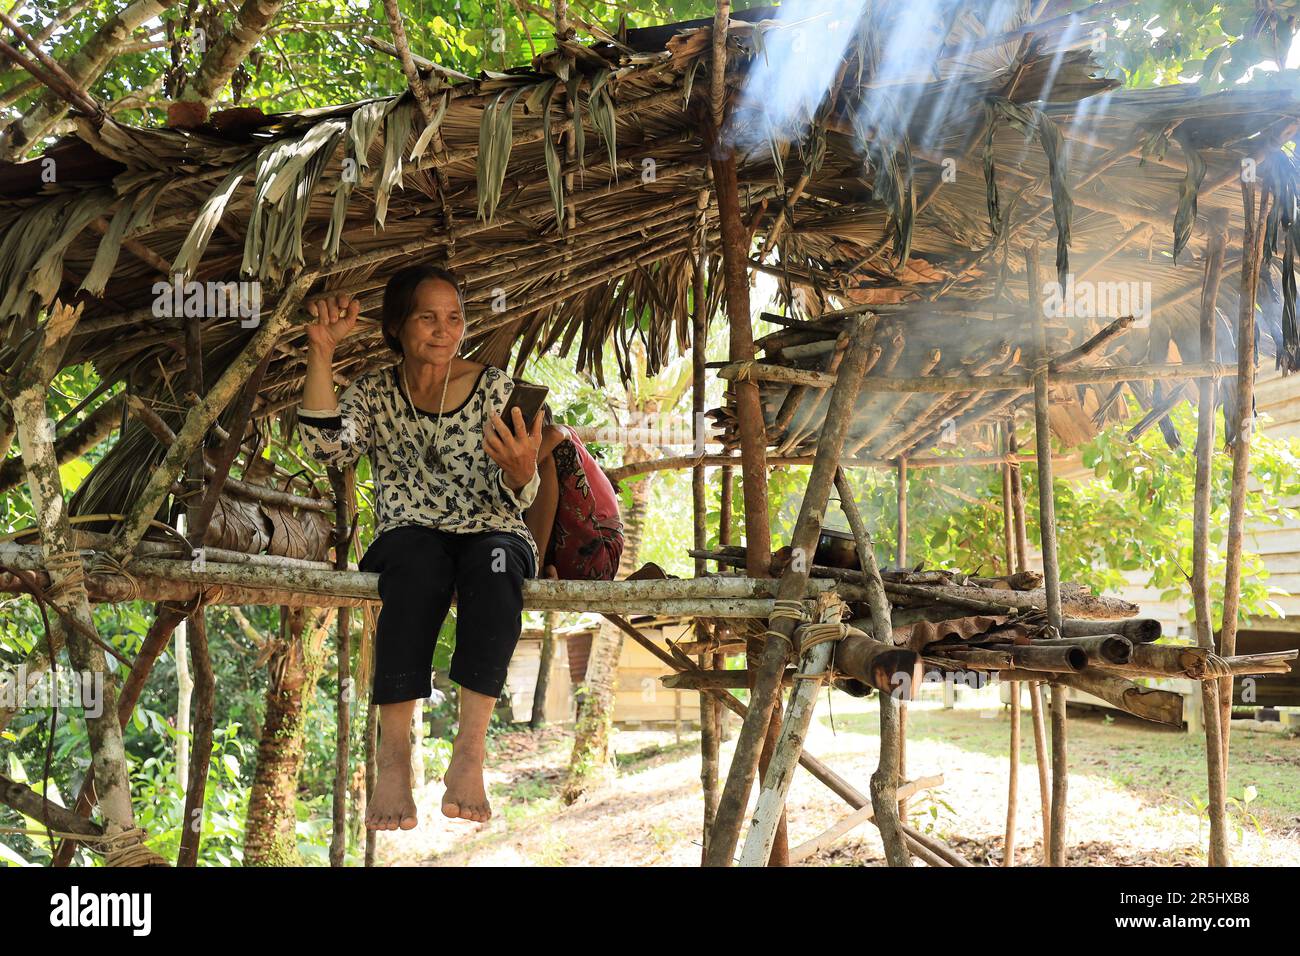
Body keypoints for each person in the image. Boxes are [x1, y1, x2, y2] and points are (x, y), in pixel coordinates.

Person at [297, 264, 543, 830]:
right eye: (427, 317)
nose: (444, 330)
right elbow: (329, 448)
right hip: (409, 534)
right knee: (414, 563)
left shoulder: (498, 390)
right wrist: (320, 351)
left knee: (494, 562)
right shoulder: (375, 393)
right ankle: (394, 757)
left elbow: (522, 493)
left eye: (454, 318)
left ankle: (470, 752)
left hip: (492, 526)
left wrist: (520, 470)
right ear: (396, 326)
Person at [525, 405, 624, 581]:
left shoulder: (558, 434)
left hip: (600, 551)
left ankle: (534, 567)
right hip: (566, 557)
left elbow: (555, 434)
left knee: (555, 452)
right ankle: (537, 564)